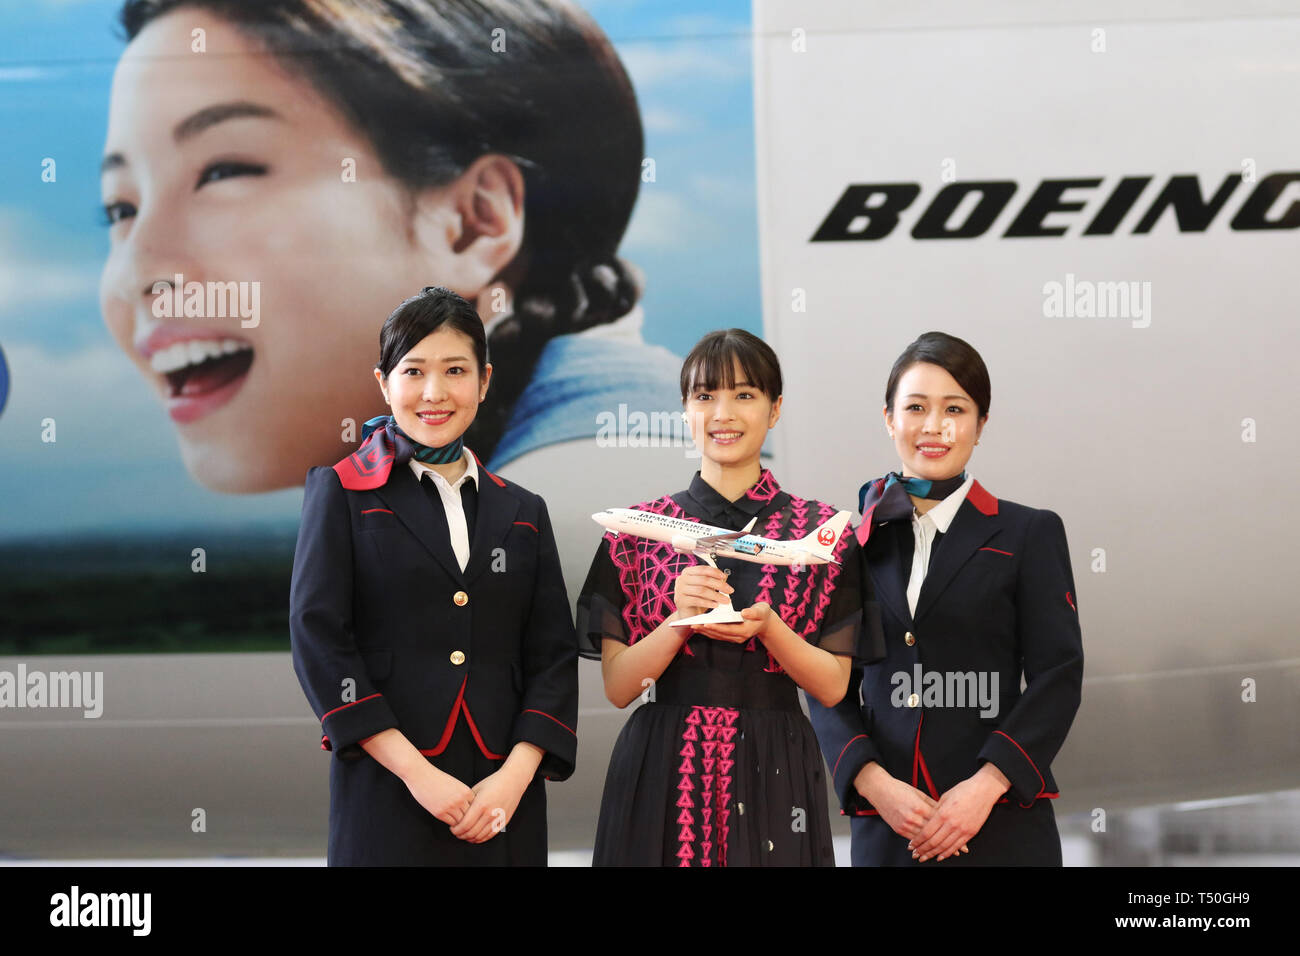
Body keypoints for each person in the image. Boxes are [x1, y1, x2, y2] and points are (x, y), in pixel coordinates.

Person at [100, 0, 681, 495]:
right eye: (120, 209)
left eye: (224, 172)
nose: (136, 272)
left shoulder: (572, 518)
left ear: (472, 222)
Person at [289, 286, 578, 865]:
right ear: (383, 383)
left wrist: (514, 779)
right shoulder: (342, 492)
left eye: (455, 370)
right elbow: (320, 640)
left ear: (485, 381)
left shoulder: (524, 510)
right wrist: (418, 775)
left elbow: (552, 655)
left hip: (503, 797)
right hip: (388, 785)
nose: (434, 393)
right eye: (414, 371)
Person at [576, 329, 880, 866]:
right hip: (661, 762)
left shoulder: (819, 530)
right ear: (684, 410)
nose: (724, 412)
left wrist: (771, 629)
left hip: (776, 761)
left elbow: (833, 687)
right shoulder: (635, 534)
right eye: (705, 396)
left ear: (775, 407)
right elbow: (621, 687)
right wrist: (677, 620)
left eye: (744, 395)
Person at [806, 331, 1084, 866]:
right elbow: (826, 686)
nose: (934, 426)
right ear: (889, 419)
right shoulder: (848, 542)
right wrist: (874, 783)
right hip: (890, 828)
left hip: (1000, 823)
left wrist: (987, 784)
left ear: (980, 425)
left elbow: (1058, 675)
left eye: (954, 408)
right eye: (915, 407)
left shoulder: (1028, 533)